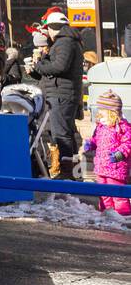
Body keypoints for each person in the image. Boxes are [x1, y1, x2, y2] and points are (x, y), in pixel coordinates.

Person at [27, 10, 84, 179]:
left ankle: (67, 173)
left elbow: (60, 67)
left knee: (61, 134)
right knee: (66, 133)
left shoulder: (64, 42)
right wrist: (38, 69)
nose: (48, 34)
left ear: (54, 27)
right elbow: (57, 69)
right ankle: (74, 172)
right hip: (63, 92)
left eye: (49, 30)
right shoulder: (69, 41)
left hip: (61, 94)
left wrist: (40, 64)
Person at [83, 89, 131, 216]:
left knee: (118, 195)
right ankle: (107, 214)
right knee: (103, 194)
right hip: (101, 168)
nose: (100, 116)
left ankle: (124, 216)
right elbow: (96, 139)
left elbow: (128, 144)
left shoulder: (123, 127)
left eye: (103, 113)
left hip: (116, 169)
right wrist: (91, 144)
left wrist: (120, 154)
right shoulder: (100, 126)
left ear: (113, 114)